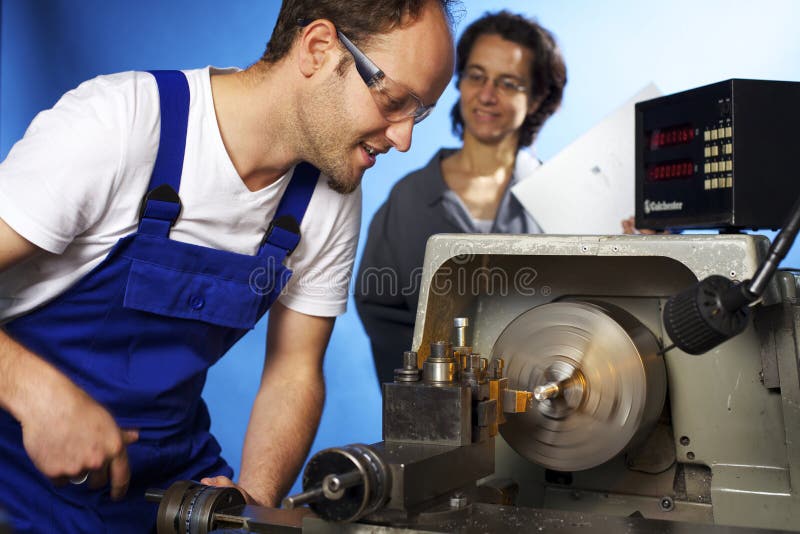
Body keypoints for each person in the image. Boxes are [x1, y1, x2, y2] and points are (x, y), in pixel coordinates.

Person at [0, 0, 455, 531]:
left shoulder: (330, 193)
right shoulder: (122, 123)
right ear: (318, 48)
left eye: (419, 113)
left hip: (170, 485)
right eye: (394, 101)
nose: (404, 138)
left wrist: (253, 497)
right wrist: (38, 396)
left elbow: (293, 370)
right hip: (15, 479)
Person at [355, 11, 567, 386]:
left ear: (536, 98)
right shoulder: (408, 199)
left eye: (508, 83)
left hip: (547, 404)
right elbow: (380, 308)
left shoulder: (564, 200)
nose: (486, 95)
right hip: (436, 406)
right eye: (476, 76)